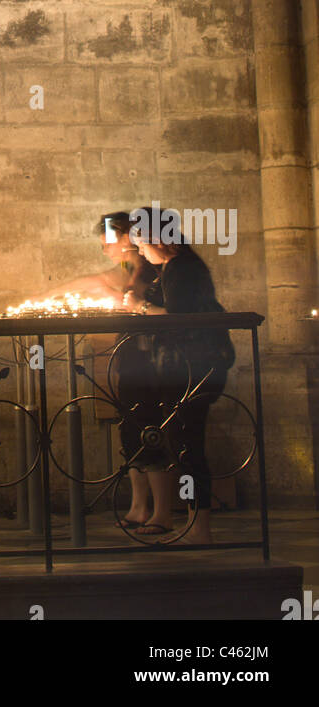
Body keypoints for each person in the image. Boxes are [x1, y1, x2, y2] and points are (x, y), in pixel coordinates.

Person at [121, 206, 235, 545]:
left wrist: (138, 308)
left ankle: (200, 529)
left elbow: (179, 317)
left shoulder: (183, 267)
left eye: (140, 243)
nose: (138, 251)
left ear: (155, 238)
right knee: (182, 444)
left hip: (194, 369)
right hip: (181, 368)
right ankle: (193, 525)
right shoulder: (174, 266)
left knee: (189, 446)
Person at [41, 211, 158, 528]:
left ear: (124, 238)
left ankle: (154, 509)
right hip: (132, 355)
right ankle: (139, 505)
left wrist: (112, 296)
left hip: (152, 359)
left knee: (148, 425)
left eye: (107, 239)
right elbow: (106, 279)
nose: (104, 247)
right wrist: (57, 292)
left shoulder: (149, 265)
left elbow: (130, 294)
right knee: (130, 425)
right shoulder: (127, 265)